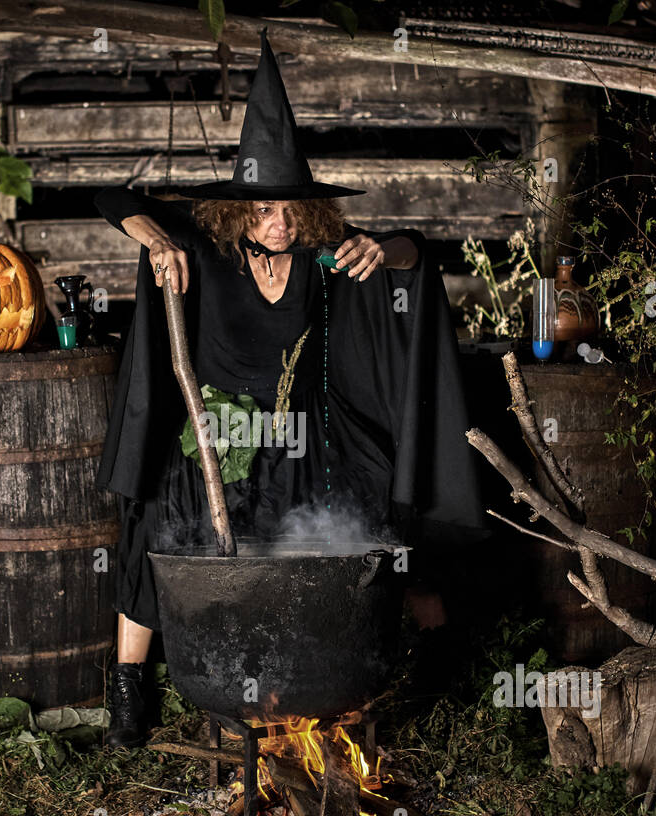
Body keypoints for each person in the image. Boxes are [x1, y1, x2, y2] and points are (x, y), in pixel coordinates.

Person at [95, 29, 488, 748]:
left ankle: (424, 661)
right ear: (237, 209)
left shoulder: (321, 257)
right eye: (263, 209)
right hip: (209, 442)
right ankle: (127, 691)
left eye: (289, 210)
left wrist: (386, 249)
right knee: (158, 532)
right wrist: (152, 239)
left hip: (304, 445)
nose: (276, 224)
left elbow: (409, 253)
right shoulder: (203, 248)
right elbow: (110, 194)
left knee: (385, 516)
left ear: (307, 210)